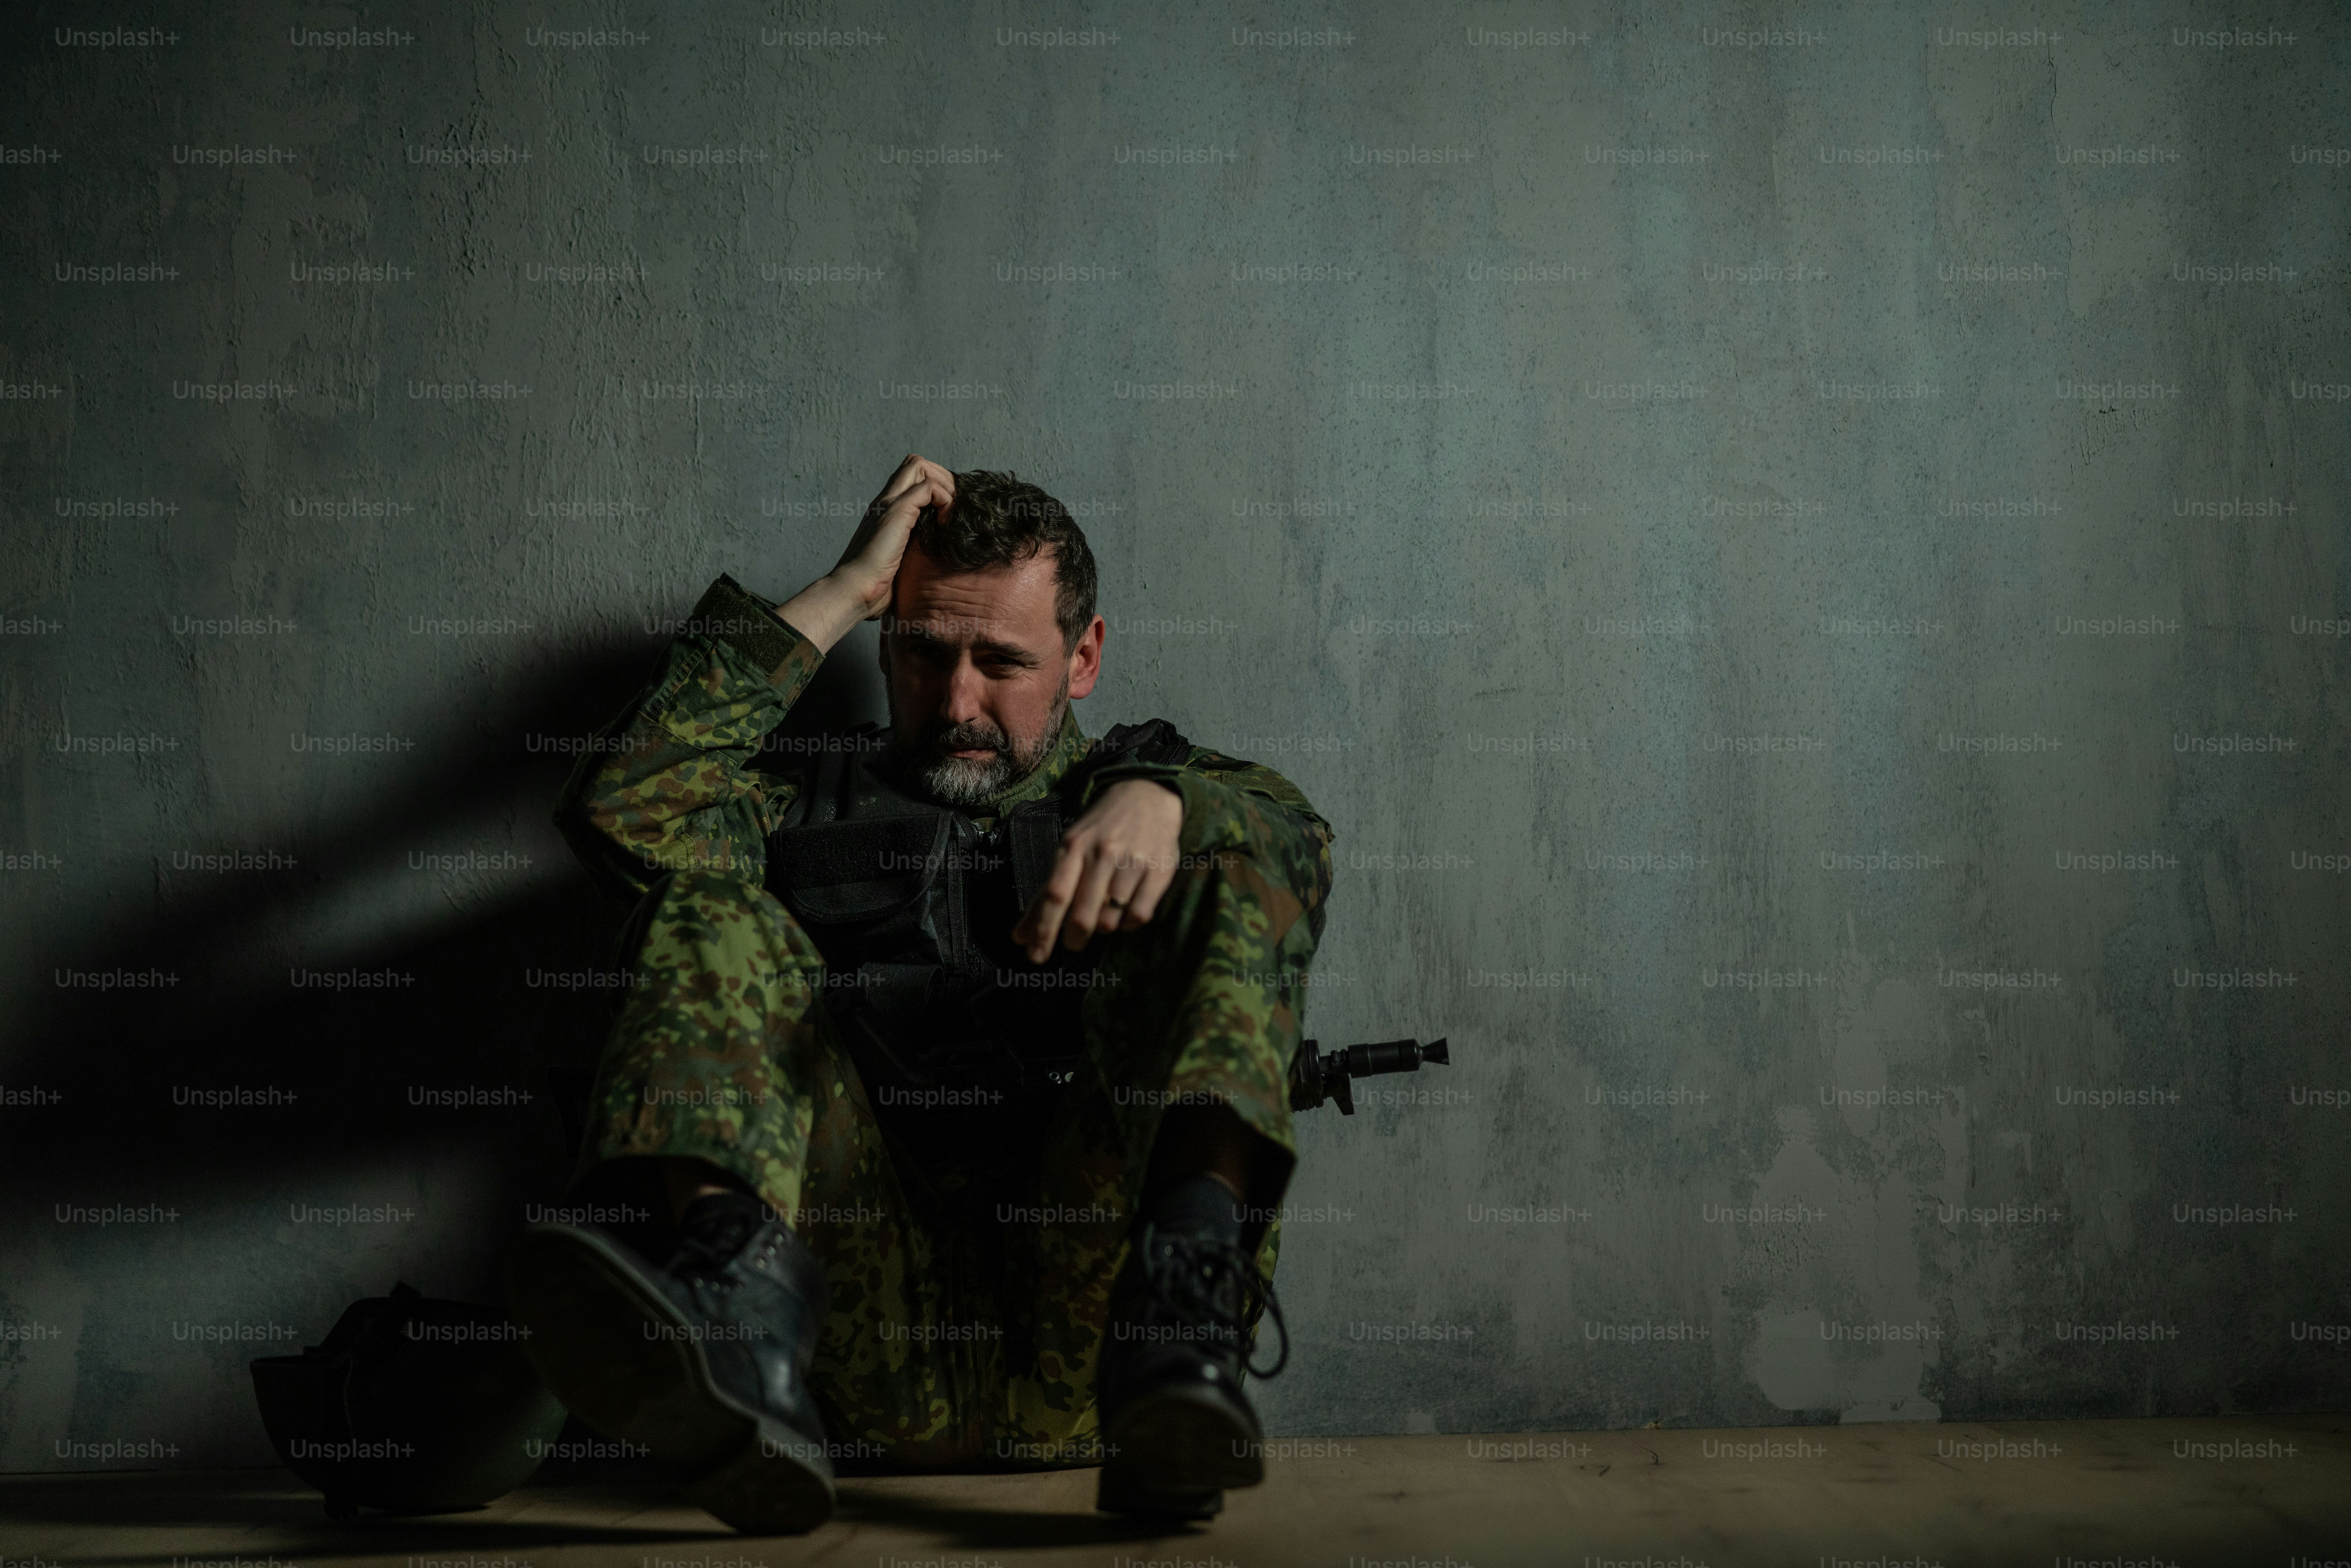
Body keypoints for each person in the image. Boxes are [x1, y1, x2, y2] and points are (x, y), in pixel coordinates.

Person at [504, 455, 1335, 1533]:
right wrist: (848, 587)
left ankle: (1184, 1329)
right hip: (854, 1329)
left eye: (1002, 661)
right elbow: (626, 812)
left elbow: (1296, 845)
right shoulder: (788, 814)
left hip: (1096, 1325)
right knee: (700, 909)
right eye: (922, 650)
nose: (958, 702)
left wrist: (1166, 804)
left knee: (1234, 870)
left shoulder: (1172, 794)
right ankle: (737, 1327)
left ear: (1083, 658)